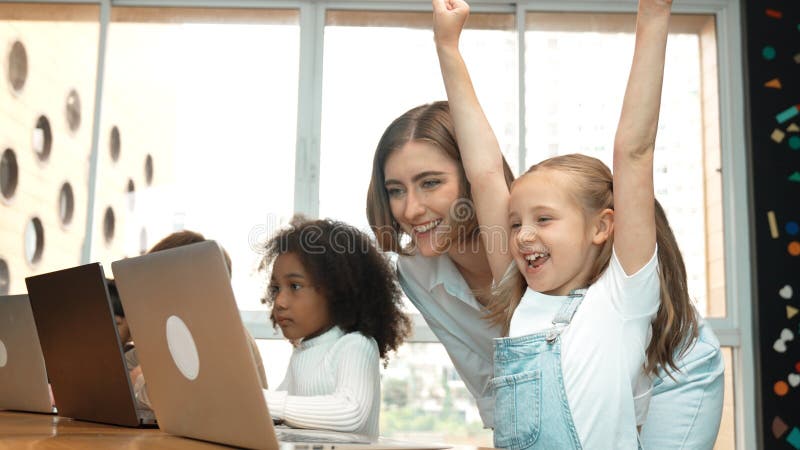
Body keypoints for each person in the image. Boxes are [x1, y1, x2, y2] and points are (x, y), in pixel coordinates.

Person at [366, 6, 723, 450]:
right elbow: (486, 174)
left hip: (669, 368)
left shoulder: (621, 297)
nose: (523, 236)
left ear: (603, 227)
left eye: (544, 220)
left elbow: (634, 151)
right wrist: (448, 47)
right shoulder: (518, 292)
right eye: (514, 224)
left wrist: (653, 16)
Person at [261, 216, 411, 438]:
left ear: (338, 290)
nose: (280, 301)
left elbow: (350, 412)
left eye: (295, 286)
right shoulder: (303, 354)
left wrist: (264, 401)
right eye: (276, 289)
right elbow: (275, 414)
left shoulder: (355, 345)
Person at [131, 230, 268, 408]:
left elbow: (183, 402)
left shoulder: (222, 331)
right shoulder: (172, 330)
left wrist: (139, 380)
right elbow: (127, 367)